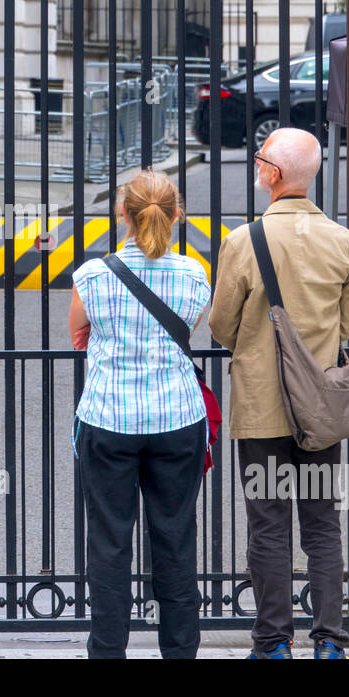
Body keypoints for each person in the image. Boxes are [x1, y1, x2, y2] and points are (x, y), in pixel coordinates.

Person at [208, 127, 349, 660]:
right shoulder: (341, 240)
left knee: (268, 524)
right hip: (319, 409)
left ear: (272, 173)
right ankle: (330, 642)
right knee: (322, 523)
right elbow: (346, 325)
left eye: (260, 158)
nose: (256, 165)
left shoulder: (244, 241)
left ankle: (273, 641)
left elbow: (222, 326)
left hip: (263, 409)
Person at [68, 169, 212, 659]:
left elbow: (78, 336)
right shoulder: (195, 274)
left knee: (108, 543)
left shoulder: (91, 275)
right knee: (175, 538)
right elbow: (187, 327)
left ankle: (108, 651)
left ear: (121, 214)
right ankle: (179, 651)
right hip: (177, 418)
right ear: (177, 216)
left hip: (109, 417)